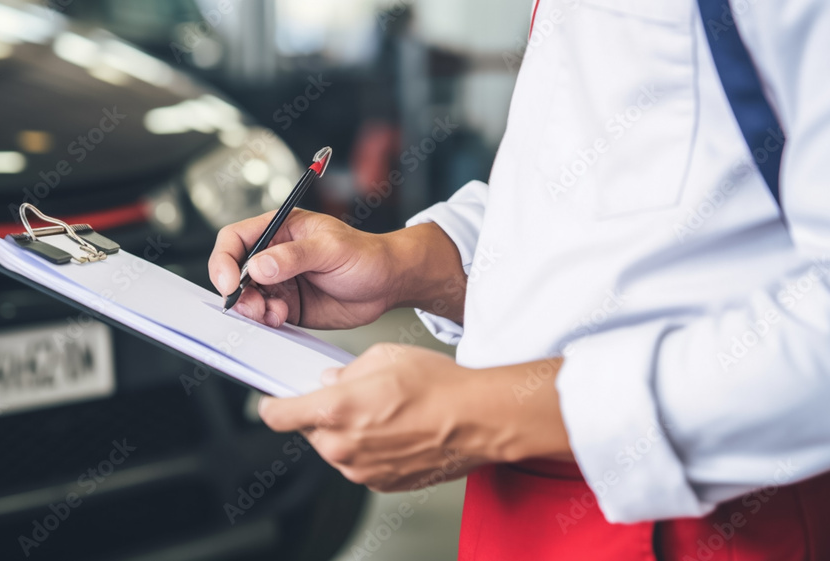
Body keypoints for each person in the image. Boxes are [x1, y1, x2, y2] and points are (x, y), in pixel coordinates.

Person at [209, 0, 830, 558]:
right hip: (511, 500)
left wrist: (487, 411)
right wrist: (408, 265)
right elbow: (580, 208)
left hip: (693, 517)